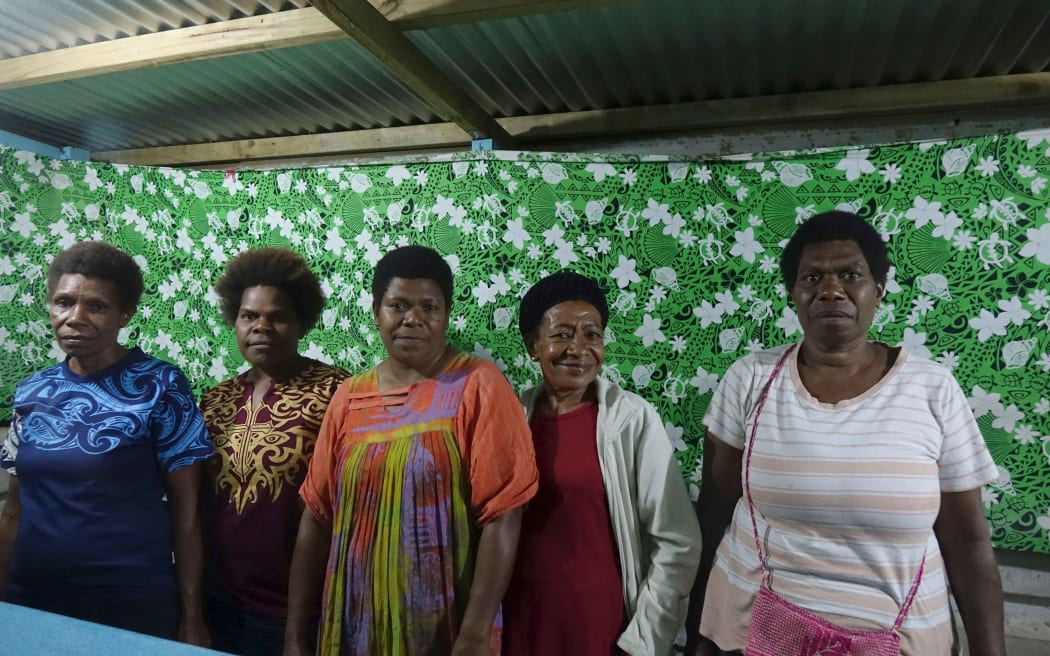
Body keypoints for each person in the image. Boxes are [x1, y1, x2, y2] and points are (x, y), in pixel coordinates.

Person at [686, 211, 1006, 656]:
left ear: (879, 289)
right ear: (793, 293)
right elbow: (714, 511)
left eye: (850, 275)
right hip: (752, 634)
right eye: (811, 277)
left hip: (901, 640)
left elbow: (968, 541)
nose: (830, 290)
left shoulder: (932, 388)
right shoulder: (751, 377)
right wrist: (698, 632)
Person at [283, 245, 538, 656]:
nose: (413, 319)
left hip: (444, 629)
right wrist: (294, 635)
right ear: (376, 312)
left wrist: (475, 633)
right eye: (398, 305)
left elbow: (504, 515)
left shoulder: (477, 384)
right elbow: (316, 517)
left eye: (429, 307)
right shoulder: (350, 397)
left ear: (447, 314)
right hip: (355, 626)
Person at [0, 241, 213, 644]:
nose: (74, 318)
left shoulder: (161, 385)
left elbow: (187, 515)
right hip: (32, 597)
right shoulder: (33, 391)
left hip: (128, 602)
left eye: (96, 306)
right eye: (63, 302)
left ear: (125, 314)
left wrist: (192, 617)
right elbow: (14, 511)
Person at [504, 271, 702, 656]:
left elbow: (677, 541)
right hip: (520, 622)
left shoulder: (631, 420)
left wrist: (643, 641)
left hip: (603, 628)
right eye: (562, 334)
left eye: (592, 335)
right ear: (533, 346)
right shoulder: (511, 417)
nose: (578, 348)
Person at [200, 247, 349, 655]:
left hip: (300, 609)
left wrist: (297, 630)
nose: (261, 327)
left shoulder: (337, 392)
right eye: (249, 316)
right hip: (219, 602)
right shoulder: (214, 401)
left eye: (277, 316)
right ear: (234, 321)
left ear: (301, 322)